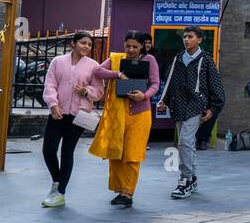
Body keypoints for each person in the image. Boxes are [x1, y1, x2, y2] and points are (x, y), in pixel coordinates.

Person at [88, 31, 159, 208]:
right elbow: (98, 71)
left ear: (143, 45)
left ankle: (128, 193)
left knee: (132, 155)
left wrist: (144, 96)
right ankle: (120, 190)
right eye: (128, 46)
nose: (131, 50)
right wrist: (118, 74)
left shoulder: (149, 60)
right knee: (117, 154)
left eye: (135, 46)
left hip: (140, 114)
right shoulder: (116, 58)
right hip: (118, 115)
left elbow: (155, 84)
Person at [39, 32, 105, 208]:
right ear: (73, 44)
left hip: (78, 115)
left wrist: (86, 91)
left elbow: (99, 91)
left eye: (89, 44)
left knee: (67, 152)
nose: (86, 47)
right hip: (57, 112)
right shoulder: (57, 62)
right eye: (83, 43)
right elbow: (50, 84)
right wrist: (53, 105)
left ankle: (60, 193)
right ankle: (56, 182)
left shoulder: (93, 66)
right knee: (48, 150)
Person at [161, 26, 225, 200]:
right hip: (179, 105)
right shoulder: (178, 58)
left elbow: (217, 88)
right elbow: (170, 81)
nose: (186, 40)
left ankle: (185, 180)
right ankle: (193, 177)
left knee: (184, 142)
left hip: (197, 106)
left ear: (199, 40)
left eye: (190, 37)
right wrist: (164, 100)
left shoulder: (206, 61)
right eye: (185, 37)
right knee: (187, 144)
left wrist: (213, 108)